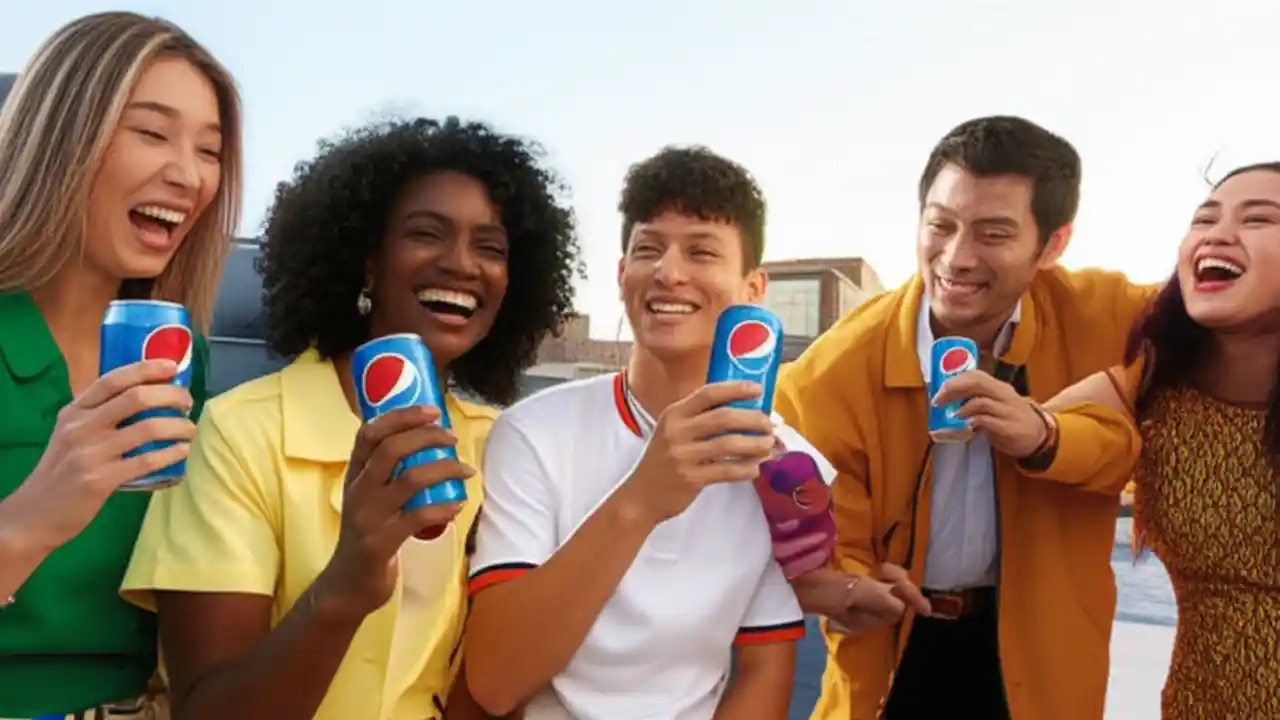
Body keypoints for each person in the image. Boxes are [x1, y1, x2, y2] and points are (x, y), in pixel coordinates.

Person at [119, 116, 581, 720]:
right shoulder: (240, 433)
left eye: (490, 248)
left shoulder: (505, 447)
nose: (463, 264)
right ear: (367, 263)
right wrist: (343, 589)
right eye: (426, 234)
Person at [464, 146, 912, 720]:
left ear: (754, 289)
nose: (669, 272)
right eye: (648, 249)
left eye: (701, 251)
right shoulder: (532, 432)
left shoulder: (783, 465)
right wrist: (642, 498)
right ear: (622, 274)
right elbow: (497, 680)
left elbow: (764, 675)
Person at [775, 115, 1157, 720]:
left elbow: (1225, 322)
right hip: (894, 655)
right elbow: (824, 533)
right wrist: (854, 583)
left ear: (1053, 244)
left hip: (1046, 665)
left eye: (993, 233)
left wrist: (1046, 437)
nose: (956, 257)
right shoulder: (831, 372)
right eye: (941, 225)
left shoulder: (1112, 318)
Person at [0, 12, 242, 718]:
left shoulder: (179, 358)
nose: (188, 175)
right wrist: (30, 519)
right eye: (152, 132)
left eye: (211, 149)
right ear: (61, 138)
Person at [983, 161, 1279, 718]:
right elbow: (1042, 427)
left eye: (1260, 219)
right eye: (1204, 219)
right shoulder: (1153, 380)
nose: (1216, 234)